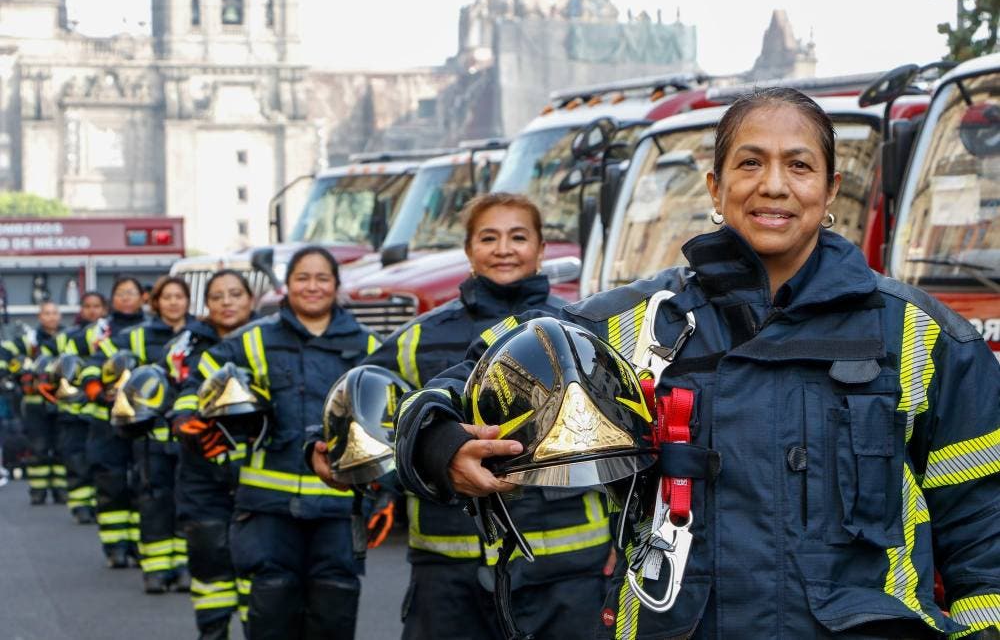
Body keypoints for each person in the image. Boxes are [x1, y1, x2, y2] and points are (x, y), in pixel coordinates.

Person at [393, 88, 1000, 639]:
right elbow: (479, 370)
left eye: (799, 164)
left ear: (831, 188)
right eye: (749, 162)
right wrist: (440, 443)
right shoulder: (640, 323)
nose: (773, 185)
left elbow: (983, 523)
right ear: (714, 188)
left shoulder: (916, 331)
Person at [314, 193, 614, 639]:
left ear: (541, 250)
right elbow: (358, 403)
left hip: (567, 572)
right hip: (448, 573)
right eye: (488, 237)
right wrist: (317, 452)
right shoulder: (417, 337)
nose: (504, 248)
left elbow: (623, 432)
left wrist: (628, 543)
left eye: (518, 236)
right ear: (469, 250)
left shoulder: (582, 329)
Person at [175, 246, 379, 640]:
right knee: (271, 609)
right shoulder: (253, 339)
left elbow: (394, 412)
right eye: (303, 278)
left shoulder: (369, 346)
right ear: (287, 286)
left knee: (334, 606)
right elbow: (197, 380)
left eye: (322, 278)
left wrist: (386, 489)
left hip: (339, 505)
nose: (313, 286)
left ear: (337, 285)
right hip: (267, 508)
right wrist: (188, 417)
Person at [169, 269, 255, 640]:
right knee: (208, 558)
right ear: (207, 304)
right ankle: (213, 632)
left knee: (259, 563)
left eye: (235, 294)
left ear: (250, 300)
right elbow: (174, 393)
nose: (226, 302)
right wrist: (183, 420)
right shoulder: (185, 348)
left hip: (257, 471)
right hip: (202, 470)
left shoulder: (268, 341)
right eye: (218, 295)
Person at [97, 276, 195, 592]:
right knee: (153, 500)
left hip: (188, 435)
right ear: (155, 302)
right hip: (150, 435)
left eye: (179, 296)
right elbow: (108, 365)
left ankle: (183, 567)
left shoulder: (200, 336)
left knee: (187, 500)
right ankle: (155, 569)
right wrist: (107, 388)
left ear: (187, 301)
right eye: (167, 297)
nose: (173, 303)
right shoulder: (137, 336)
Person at [79, 276, 147, 567]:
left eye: (131, 293)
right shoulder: (104, 332)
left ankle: (138, 542)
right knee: (112, 481)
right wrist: (93, 387)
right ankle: (115, 545)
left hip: (143, 419)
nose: (126, 298)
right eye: (120, 294)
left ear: (143, 297)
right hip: (107, 422)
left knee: (143, 482)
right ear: (113, 299)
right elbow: (87, 366)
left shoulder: (153, 330)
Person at [0, 300, 70, 504]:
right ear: (40, 317)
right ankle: (38, 491)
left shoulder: (67, 339)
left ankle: (61, 490)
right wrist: (12, 370)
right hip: (34, 403)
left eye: (54, 313)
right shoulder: (30, 340)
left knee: (61, 447)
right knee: (38, 447)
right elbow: (4, 353)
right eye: (46, 313)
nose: (50, 317)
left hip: (61, 401)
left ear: (60, 316)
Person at [60, 291, 108, 523]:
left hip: (102, 411)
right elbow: (66, 370)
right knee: (77, 458)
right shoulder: (75, 338)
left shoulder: (112, 334)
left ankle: (99, 502)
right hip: (77, 410)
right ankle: (81, 505)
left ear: (104, 309)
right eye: (88, 306)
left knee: (100, 461)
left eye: (97, 305)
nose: (92, 311)